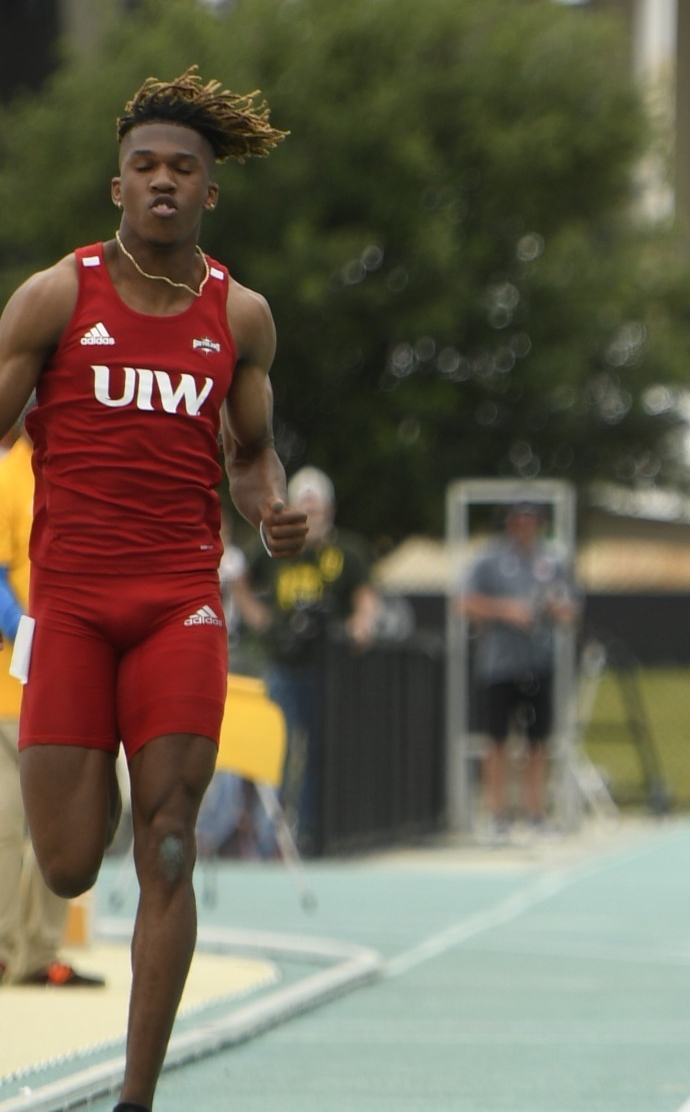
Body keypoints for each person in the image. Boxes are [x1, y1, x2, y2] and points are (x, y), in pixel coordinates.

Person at [0, 70, 306, 1112]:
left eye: (184, 169)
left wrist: (273, 511)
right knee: (71, 864)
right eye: (146, 169)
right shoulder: (54, 297)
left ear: (211, 191)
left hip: (181, 601)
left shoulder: (243, 317)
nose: (164, 183)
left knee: (170, 836)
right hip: (71, 609)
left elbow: (253, 459)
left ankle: (137, 1095)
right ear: (116, 187)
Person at [0, 426, 105, 988]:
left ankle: (35, 950)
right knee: (11, 821)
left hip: (64, 680)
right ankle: (16, 948)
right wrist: (33, 635)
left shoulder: (79, 467)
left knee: (51, 822)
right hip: (18, 684)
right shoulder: (8, 478)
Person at [229, 465, 378, 853]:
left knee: (318, 754)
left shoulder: (346, 552)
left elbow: (365, 599)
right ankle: (269, 838)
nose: (311, 518)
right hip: (283, 662)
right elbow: (237, 576)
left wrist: (361, 625)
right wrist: (257, 617)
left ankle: (310, 831)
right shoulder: (276, 550)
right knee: (277, 747)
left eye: (317, 510)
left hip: (328, 668)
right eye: (304, 509)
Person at [462, 502, 579, 842]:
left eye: (531, 519)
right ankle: (497, 815)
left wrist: (555, 608)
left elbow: (573, 607)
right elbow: (464, 602)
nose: (525, 525)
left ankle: (535, 814)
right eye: (519, 519)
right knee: (496, 740)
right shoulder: (489, 559)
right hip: (499, 664)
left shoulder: (553, 560)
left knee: (537, 742)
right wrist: (506, 610)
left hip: (539, 662)